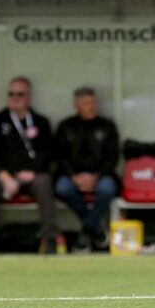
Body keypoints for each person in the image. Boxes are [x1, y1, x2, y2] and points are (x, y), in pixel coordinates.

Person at [0, 76, 59, 254]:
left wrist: (33, 172)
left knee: (44, 181)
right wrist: (5, 177)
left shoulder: (41, 121)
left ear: (29, 97)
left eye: (20, 94)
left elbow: (48, 153)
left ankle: (49, 239)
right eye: (11, 94)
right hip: (4, 176)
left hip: (31, 176)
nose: (14, 98)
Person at [54, 86, 120, 252]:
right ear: (76, 105)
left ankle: (85, 231)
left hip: (101, 175)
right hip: (71, 176)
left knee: (107, 189)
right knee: (62, 188)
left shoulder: (107, 126)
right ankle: (97, 229)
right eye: (86, 103)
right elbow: (60, 156)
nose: (91, 106)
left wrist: (96, 177)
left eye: (92, 102)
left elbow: (112, 157)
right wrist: (74, 176)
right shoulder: (66, 126)